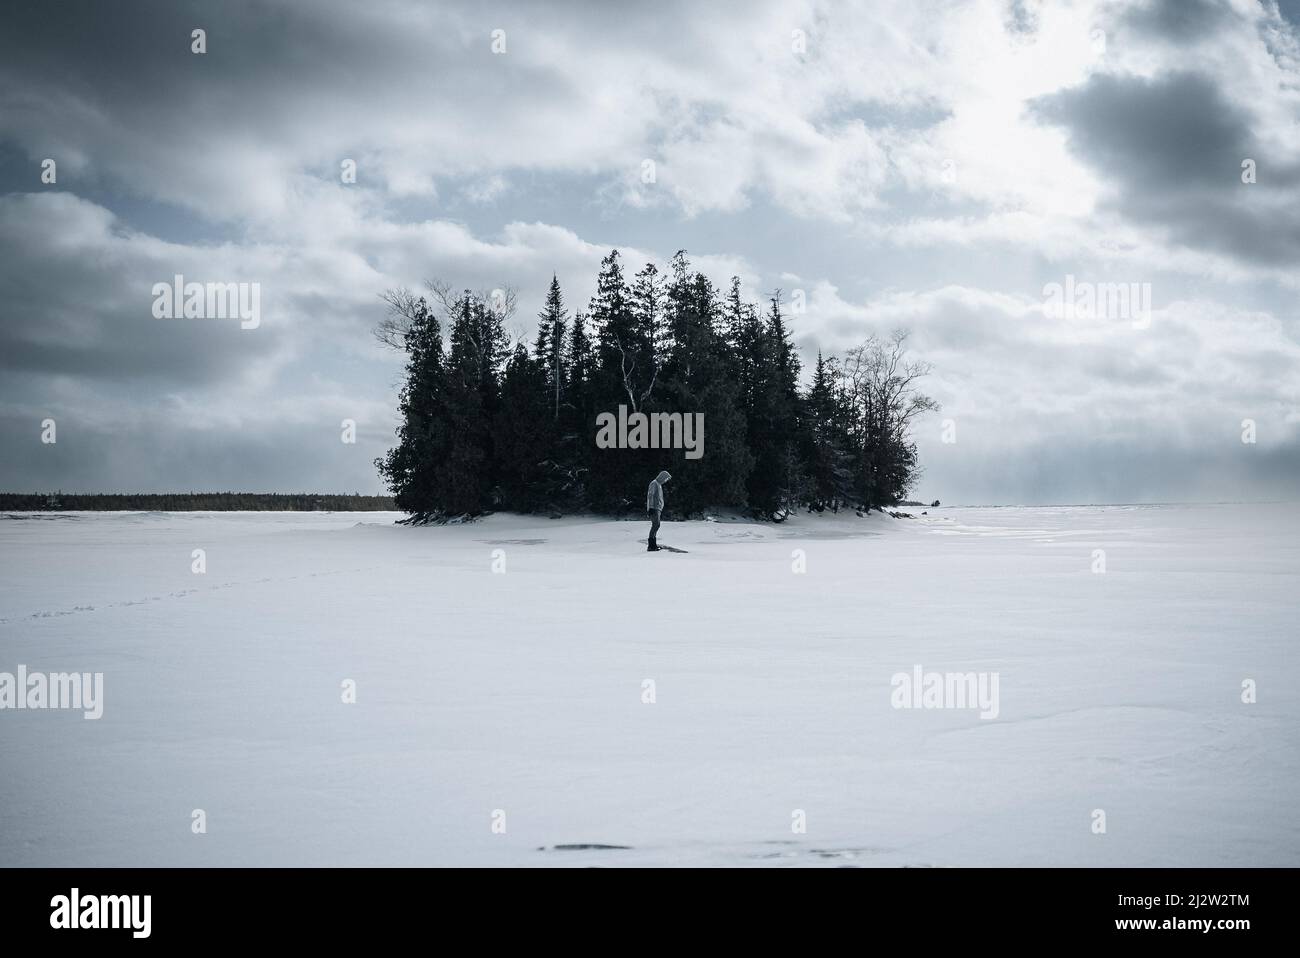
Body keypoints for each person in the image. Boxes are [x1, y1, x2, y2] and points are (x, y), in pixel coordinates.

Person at [646, 470, 671, 551]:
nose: (665, 480)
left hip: (657, 508)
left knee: (656, 525)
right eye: (665, 479)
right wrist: (651, 507)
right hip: (654, 508)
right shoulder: (654, 483)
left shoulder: (658, 484)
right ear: (662, 477)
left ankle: (653, 545)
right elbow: (651, 496)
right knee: (655, 525)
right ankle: (651, 546)